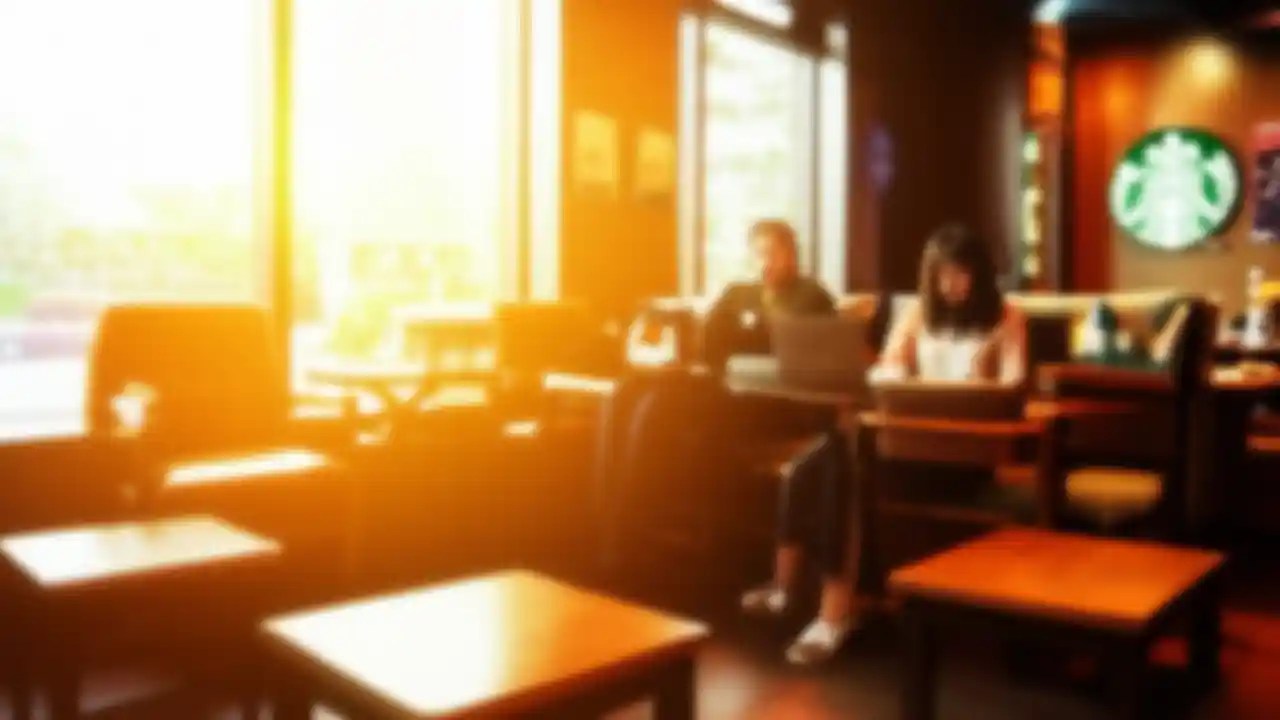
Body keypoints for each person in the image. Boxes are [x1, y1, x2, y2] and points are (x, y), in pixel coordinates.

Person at [740, 223, 1026, 666]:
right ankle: (795, 594)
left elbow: (1013, 388)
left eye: (960, 273)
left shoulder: (1007, 317)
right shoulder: (917, 315)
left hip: (962, 454)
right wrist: (893, 374)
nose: (950, 284)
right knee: (816, 463)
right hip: (904, 443)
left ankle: (830, 612)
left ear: (980, 273)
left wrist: (983, 379)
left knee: (845, 460)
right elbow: (885, 370)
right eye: (941, 274)